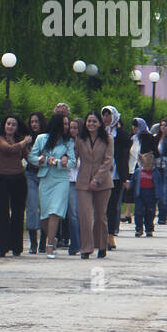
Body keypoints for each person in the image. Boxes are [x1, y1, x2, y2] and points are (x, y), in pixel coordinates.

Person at [28, 113, 75, 258]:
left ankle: (49, 246)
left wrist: (60, 163)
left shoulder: (68, 142)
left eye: (68, 124)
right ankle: (52, 238)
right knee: (44, 215)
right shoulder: (42, 139)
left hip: (61, 179)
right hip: (46, 178)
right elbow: (31, 157)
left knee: (55, 211)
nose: (67, 127)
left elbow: (73, 162)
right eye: (65, 124)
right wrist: (42, 160)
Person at [74, 111, 114, 260]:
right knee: (85, 215)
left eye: (94, 121)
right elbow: (74, 156)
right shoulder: (80, 138)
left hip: (102, 182)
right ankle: (86, 248)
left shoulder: (107, 139)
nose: (91, 124)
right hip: (83, 181)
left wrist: (97, 179)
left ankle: (102, 245)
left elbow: (108, 161)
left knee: (100, 215)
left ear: (99, 123)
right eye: (89, 121)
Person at [0, 115, 32, 257]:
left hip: (18, 177)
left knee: (18, 212)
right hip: (2, 177)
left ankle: (16, 247)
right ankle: (2, 247)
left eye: (14, 125)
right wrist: (25, 141)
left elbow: (29, 157)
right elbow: (9, 149)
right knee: (2, 212)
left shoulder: (19, 140)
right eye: (8, 124)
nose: (10, 127)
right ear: (4, 125)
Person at [100, 105, 128, 250]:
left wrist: (125, 177)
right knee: (99, 206)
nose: (106, 118)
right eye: (104, 115)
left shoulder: (121, 134)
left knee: (112, 205)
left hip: (115, 173)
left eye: (108, 115)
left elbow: (124, 156)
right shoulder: (98, 132)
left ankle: (110, 234)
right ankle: (99, 235)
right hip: (100, 172)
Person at [24, 112, 46, 253]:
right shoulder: (27, 139)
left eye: (37, 121)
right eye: (32, 122)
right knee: (32, 208)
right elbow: (26, 156)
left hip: (45, 175)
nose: (34, 124)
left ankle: (44, 241)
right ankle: (33, 242)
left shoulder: (47, 138)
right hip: (30, 174)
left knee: (45, 208)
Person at [64, 117, 83, 255]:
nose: (73, 130)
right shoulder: (65, 143)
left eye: (75, 128)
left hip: (81, 181)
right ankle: (74, 243)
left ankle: (79, 242)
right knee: (72, 214)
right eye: (71, 127)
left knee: (78, 214)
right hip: (68, 180)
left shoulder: (84, 143)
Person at [132, 150, 157, 236]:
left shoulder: (155, 173)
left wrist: (160, 196)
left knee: (150, 212)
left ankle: (149, 228)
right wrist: (129, 186)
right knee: (138, 211)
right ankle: (139, 228)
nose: (146, 167)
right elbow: (133, 181)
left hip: (151, 194)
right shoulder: (138, 172)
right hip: (140, 194)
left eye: (149, 165)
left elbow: (159, 185)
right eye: (145, 165)